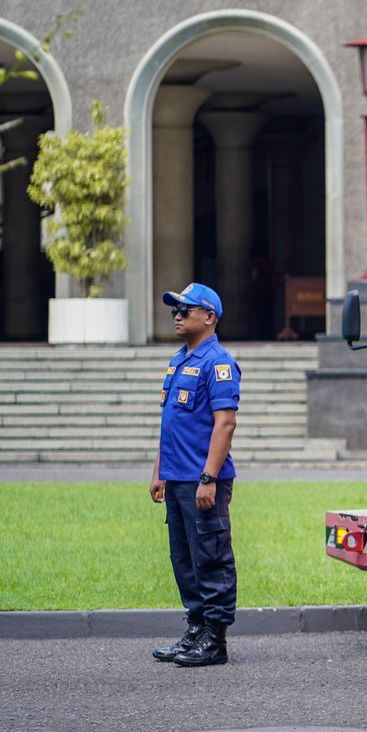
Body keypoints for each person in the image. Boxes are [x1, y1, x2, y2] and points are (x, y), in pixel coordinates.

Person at [149, 283, 241, 668]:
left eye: (185, 310)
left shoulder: (218, 363)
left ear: (209, 317)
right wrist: (159, 471)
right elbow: (170, 422)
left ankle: (215, 640)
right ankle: (197, 627)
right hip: (177, 478)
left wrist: (209, 478)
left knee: (211, 557)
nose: (177, 316)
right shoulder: (178, 361)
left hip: (202, 480)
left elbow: (225, 424)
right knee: (184, 558)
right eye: (175, 310)